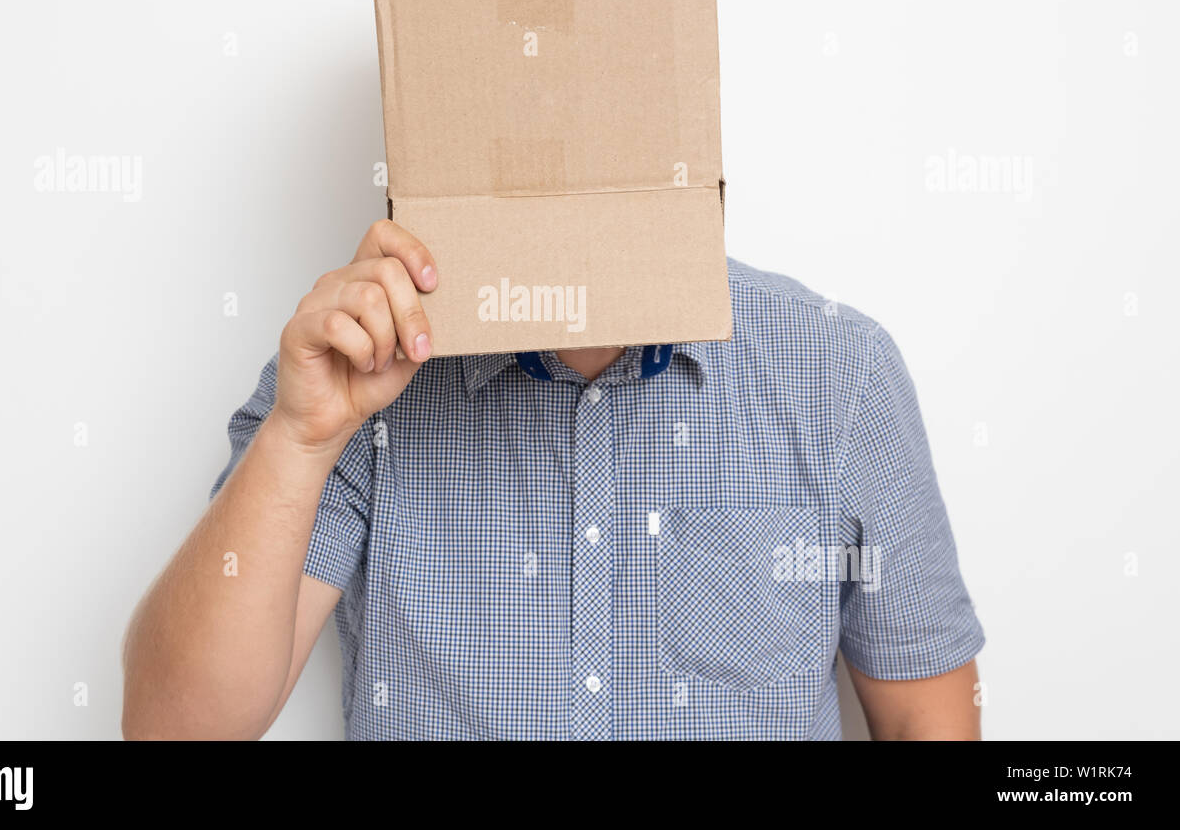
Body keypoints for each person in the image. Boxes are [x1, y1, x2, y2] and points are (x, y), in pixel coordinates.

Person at [121, 220, 985, 740]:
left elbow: (924, 717)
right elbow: (175, 730)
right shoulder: (350, 377)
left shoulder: (838, 374)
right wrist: (303, 439)